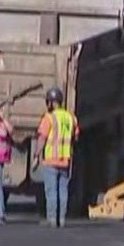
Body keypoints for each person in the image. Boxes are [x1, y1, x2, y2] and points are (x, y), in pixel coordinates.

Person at [36, 87, 80, 227]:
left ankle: (51, 219)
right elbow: (76, 136)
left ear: (50, 103)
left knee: (51, 191)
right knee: (63, 191)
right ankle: (61, 219)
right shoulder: (70, 118)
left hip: (51, 160)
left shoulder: (49, 118)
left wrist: (37, 155)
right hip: (65, 160)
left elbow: (42, 138)